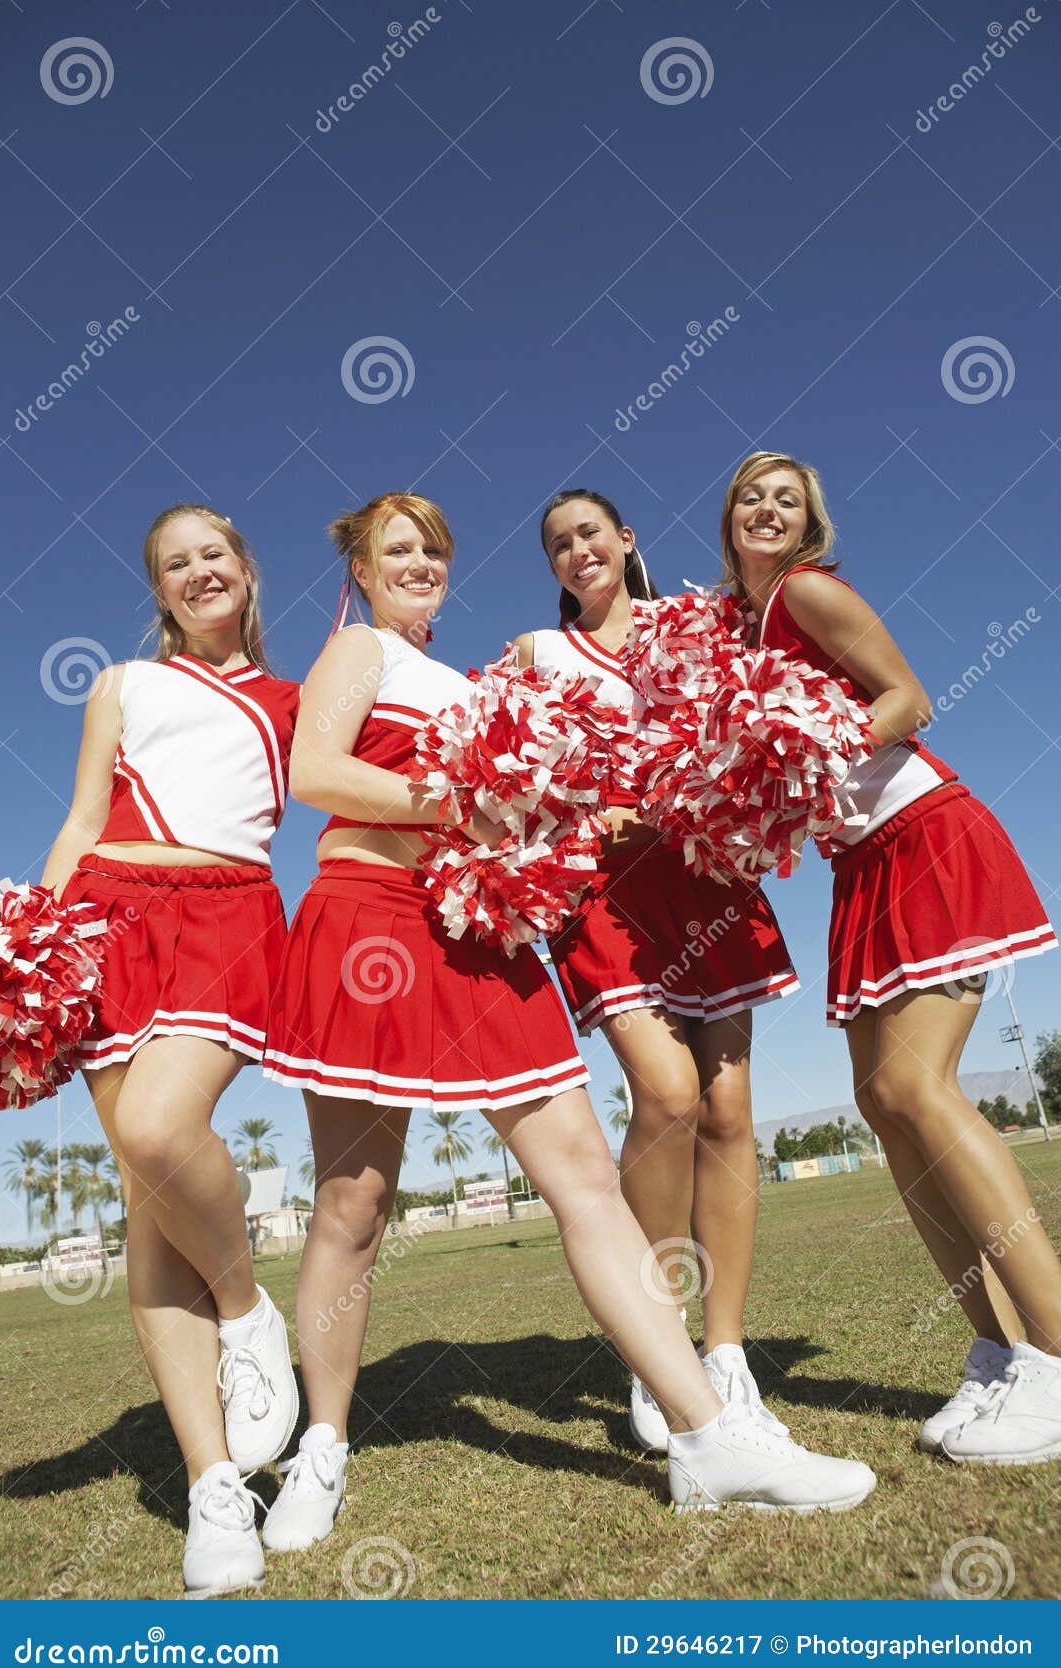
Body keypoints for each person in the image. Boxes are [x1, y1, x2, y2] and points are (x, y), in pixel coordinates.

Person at [260, 491, 875, 1549]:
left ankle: (704, 1433)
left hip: (479, 937)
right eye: (395, 549)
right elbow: (313, 771)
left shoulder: (467, 680)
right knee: (353, 1206)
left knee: (588, 1179)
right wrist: (466, 800)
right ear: (358, 571)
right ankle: (321, 1446)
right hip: (371, 929)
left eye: (433, 548)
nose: (418, 563)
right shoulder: (358, 650)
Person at [724, 449, 1061, 1464]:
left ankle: (1053, 1352)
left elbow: (908, 700)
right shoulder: (741, 635)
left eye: (790, 498)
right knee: (881, 1102)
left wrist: (797, 764)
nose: (770, 508)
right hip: (862, 865)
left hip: (926, 836)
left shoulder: (806, 593)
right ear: (728, 515)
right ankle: (996, 1353)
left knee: (919, 1086)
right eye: (752, 495)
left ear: (809, 524)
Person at [43, 505, 300, 1597]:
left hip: (230, 910)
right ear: (160, 590)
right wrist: (33, 951)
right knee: (146, 1203)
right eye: (175, 562)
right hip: (108, 916)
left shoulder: (298, 701)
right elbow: (81, 818)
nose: (199, 571)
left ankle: (244, 1305)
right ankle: (214, 1486)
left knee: (158, 1126)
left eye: (214, 554)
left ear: (246, 568)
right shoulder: (120, 682)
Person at [511, 491, 798, 1454]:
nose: (576, 550)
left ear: (627, 539)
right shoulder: (535, 655)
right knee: (668, 1096)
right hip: (606, 895)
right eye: (557, 544)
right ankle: (656, 1342)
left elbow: (764, 707)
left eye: (590, 532)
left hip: (709, 875)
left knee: (728, 1114)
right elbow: (509, 771)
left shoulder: (698, 622)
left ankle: (724, 1354)